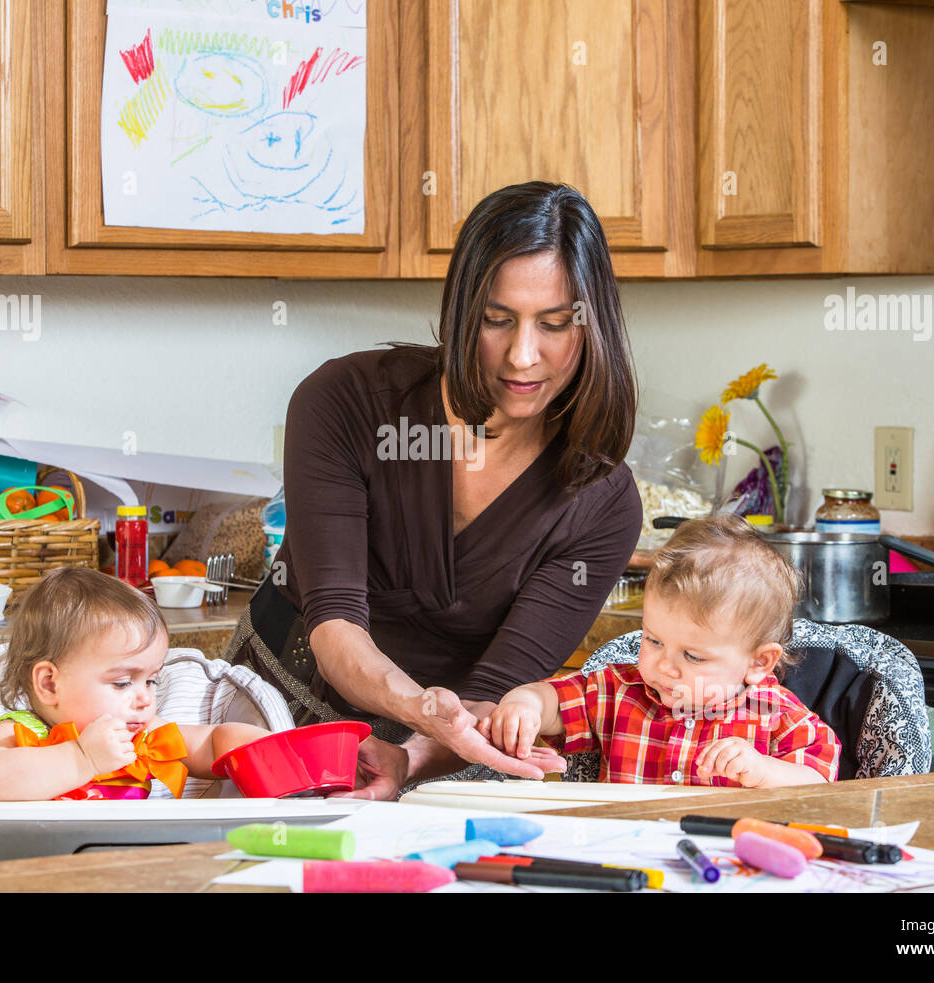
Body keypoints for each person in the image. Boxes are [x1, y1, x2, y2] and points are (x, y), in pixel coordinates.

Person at [224, 181, 643, 799]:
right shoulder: (345, 404)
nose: (523, 356)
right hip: (272, 706)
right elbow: (335, 620)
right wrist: (422, 709)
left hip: (442, 746)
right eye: (497, 321)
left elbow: (499, 685)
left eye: (554, 324)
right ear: (461, 312)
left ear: (592, 325)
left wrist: (412, 756)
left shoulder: (603, 502)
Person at [479, 514, 842, 788]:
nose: (664, 665)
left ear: (758, 662)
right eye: (653, 640)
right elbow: (551, 701)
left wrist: (764, 771)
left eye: (693, 656)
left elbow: (820, 787)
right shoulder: (619, 692)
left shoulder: (779, 717)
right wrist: (523, 706)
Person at [0, 567, 270, 801]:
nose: (144, 699)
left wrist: (252, 744)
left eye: (151, 680)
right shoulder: (20, 732)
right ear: (50, 684)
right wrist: (82, 758)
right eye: (123, 683)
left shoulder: (142, 734)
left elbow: (209, 745)